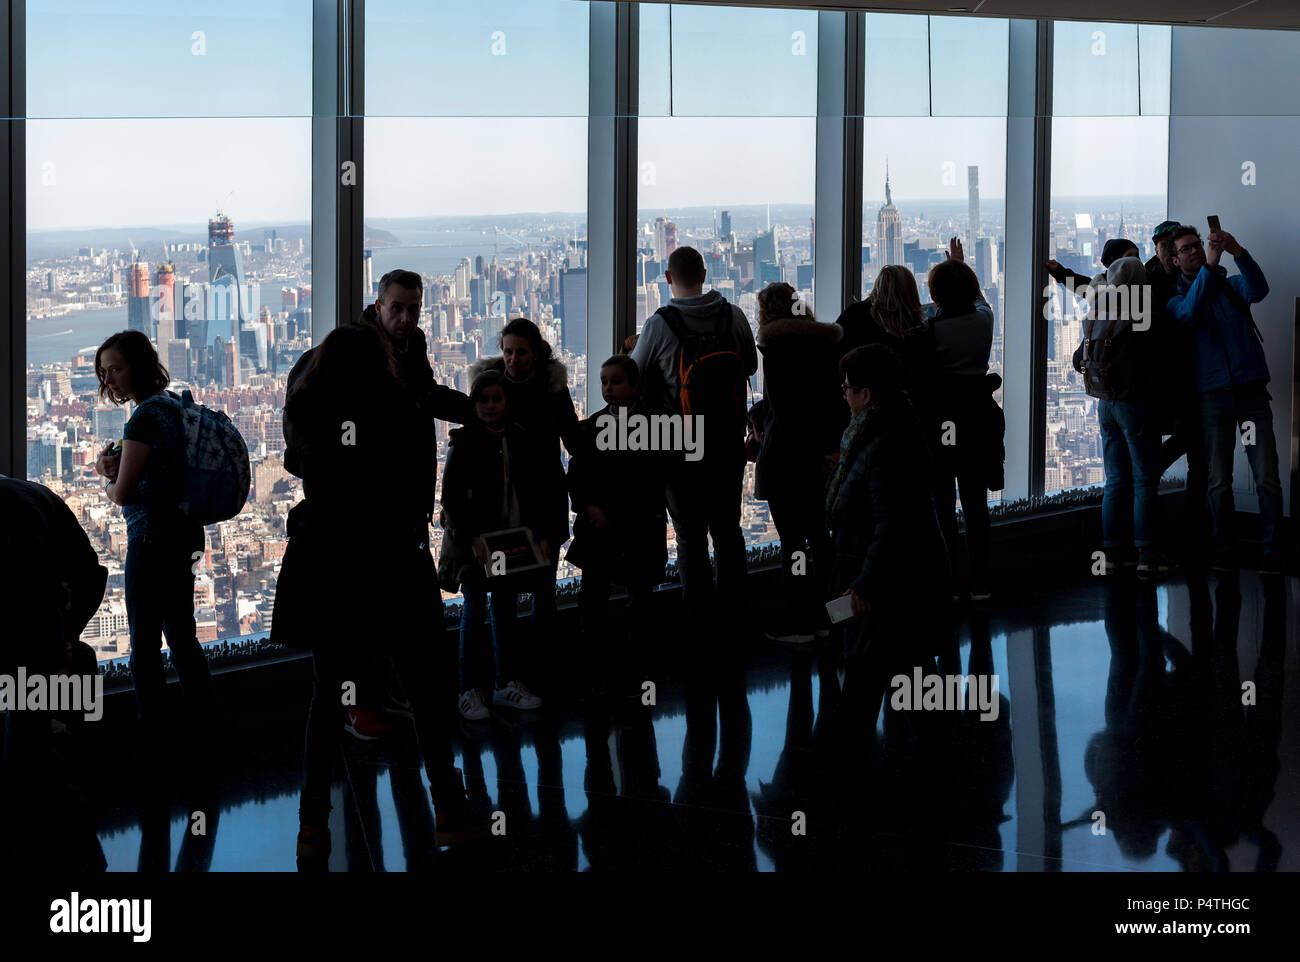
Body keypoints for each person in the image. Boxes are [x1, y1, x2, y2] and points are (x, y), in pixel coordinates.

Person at [272, 324, 487, 859]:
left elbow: (298, 463)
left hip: (327, 560)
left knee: (327, 698)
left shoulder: (306, 409)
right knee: (424, 690)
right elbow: (412, 481)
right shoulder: (397, 407)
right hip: (392, 559)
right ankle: (450, 811)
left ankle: (312, 825)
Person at [286, 269, 473, 740]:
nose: (407, 318)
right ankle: (361, 704)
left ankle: (381, 696)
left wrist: (480, 409)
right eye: (398, 308)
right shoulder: (353, 353)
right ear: (378, 304)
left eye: (413, 309)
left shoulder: (411, 349)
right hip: (361, 513)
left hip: (401, 503)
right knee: (363, 614)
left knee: (386, 612)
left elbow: (424, 397)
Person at [93, 330, 216, 732]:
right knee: (182, 636)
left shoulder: (143, 417)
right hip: (185, 534)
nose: (109, 379)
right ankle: (203, 725)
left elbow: (124, 494)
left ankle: (153, 735)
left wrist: (106, 476)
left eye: (116, 369)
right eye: (104, 371)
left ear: (138, 367)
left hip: (150, 540)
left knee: (144, 645)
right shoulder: (173, 406)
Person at [631, 246, 758, 616]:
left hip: (682, 446)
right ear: (704, 274)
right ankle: (735, 611)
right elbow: (749, 365)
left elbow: (633, 377)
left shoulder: (659, 324)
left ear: (668, 278)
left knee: (689, 536)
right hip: (727, 442)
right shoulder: (732, 316)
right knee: (728, 530)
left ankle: (699, 617)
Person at [441, 369, 567, 718]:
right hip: (477, 545)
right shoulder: (463, 442)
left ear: (507, 402)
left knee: (504, 608)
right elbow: (452, 497)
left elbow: (538, 489)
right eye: (484, 400)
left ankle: (503, 683)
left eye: (497, 399)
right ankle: (468, 690)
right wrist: (473, 537)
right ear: (474, 403)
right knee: (475, 608)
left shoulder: (521, 436)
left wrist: (540, 533)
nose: (491, 406)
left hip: (509, 541)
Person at [0, 476, 108, 871]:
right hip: (50, 590)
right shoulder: (18, 502)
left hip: (51, 593)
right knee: (31, 704)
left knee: (27, 703)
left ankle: (25, 822)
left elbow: (36, 589)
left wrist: (56, 647)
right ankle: (67, 791)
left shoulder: (14, 516)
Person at [1165, 226, 1282, 573]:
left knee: (1266, 475)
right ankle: (1224, 549)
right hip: (1213, 399)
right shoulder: (1175, 300)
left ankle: (1273, 550)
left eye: (1197, 245)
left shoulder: (1230, 287)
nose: (1196, 251)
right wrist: (1209, 270)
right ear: (1174, 259)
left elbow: (1259, 289)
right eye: (1186, 249)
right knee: (1219, 479)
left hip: (1249, 395)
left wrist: (1237, 252)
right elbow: (1188, 313)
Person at [827, 345, 951, 660]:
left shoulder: (881, 444)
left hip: (884, 594)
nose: (844, 396)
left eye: (847, 389)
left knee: (864, 688)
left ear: (866, 395)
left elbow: (891, 524)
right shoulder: (895, 427)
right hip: (899, 587)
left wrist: (864, 586)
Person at [467, 318, 576, 676]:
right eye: (508, 352)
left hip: (544, 504)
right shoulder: (492, 386)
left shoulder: (552, 387)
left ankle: (539, 673)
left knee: (543, 594)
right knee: (504, 596)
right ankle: (510, 677)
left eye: (521, 352)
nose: (514, 360)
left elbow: (572, 438)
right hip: (505, 510)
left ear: (536, 353)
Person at [566, 356, 668, 686]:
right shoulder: (594, 426)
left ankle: (635, 667)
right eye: (604, 382)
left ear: (634, 386)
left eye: (616, 381)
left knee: (638, 600)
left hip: (632, 527)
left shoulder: (648, 427)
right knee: (594, 599)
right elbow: (577, 474)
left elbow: (655, 479)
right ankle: (598, 668)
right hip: (612, 527)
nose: (608, 388)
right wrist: (590, 508)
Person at [753, 283, 844, 643]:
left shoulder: (775, 349)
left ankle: (800, 622)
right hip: (823, 457)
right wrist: (829, 450)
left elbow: (786, 411)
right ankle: (832, 617)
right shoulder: (827, 343)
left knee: (793, 543)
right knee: (823, 540)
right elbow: (831, 404)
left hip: (787, 459)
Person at [1072, 256, 1173, 573]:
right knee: (1145, 481)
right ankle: (1147, 555)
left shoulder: (1097, 309)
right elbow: (1158, 356)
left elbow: (1079, 359)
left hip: (1105, 403)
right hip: (1136, 403)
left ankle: (1113, 554)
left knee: (1115, 480)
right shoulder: (1142, 309)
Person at [927, 240, 999, 602]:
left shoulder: (930, 330)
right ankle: (980, 582)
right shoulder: (984, 319)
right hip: (977, 416)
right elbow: (980, 299)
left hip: (941, 420)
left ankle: (949, 582)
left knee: (942, 503)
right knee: (975, 504)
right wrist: (961, 265)